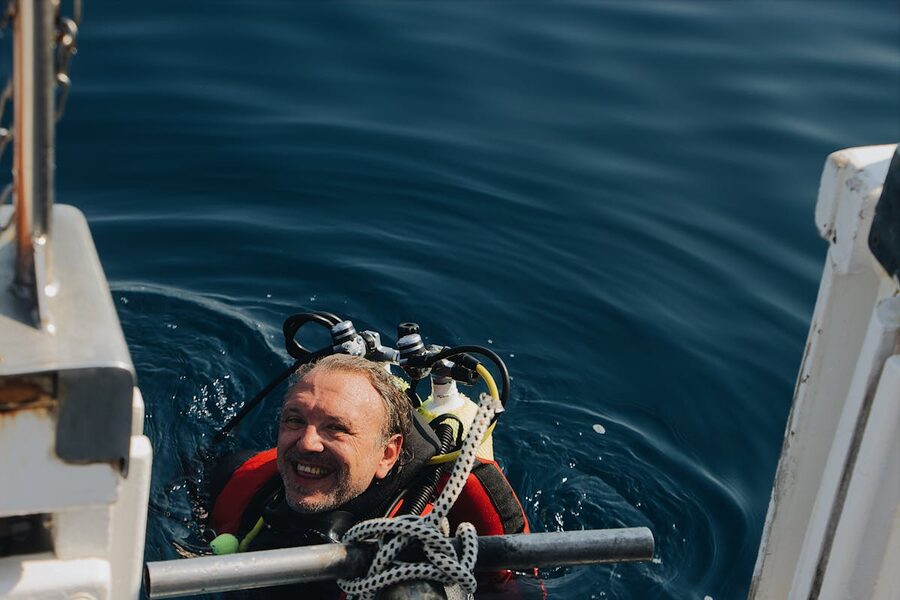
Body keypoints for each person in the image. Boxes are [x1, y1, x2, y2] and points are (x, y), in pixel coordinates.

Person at [208, 354, 531, 598]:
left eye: (336, 428)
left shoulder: (426, 554)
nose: (306, 442)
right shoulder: (239, 479)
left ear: (387, 454)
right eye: (294, 420)